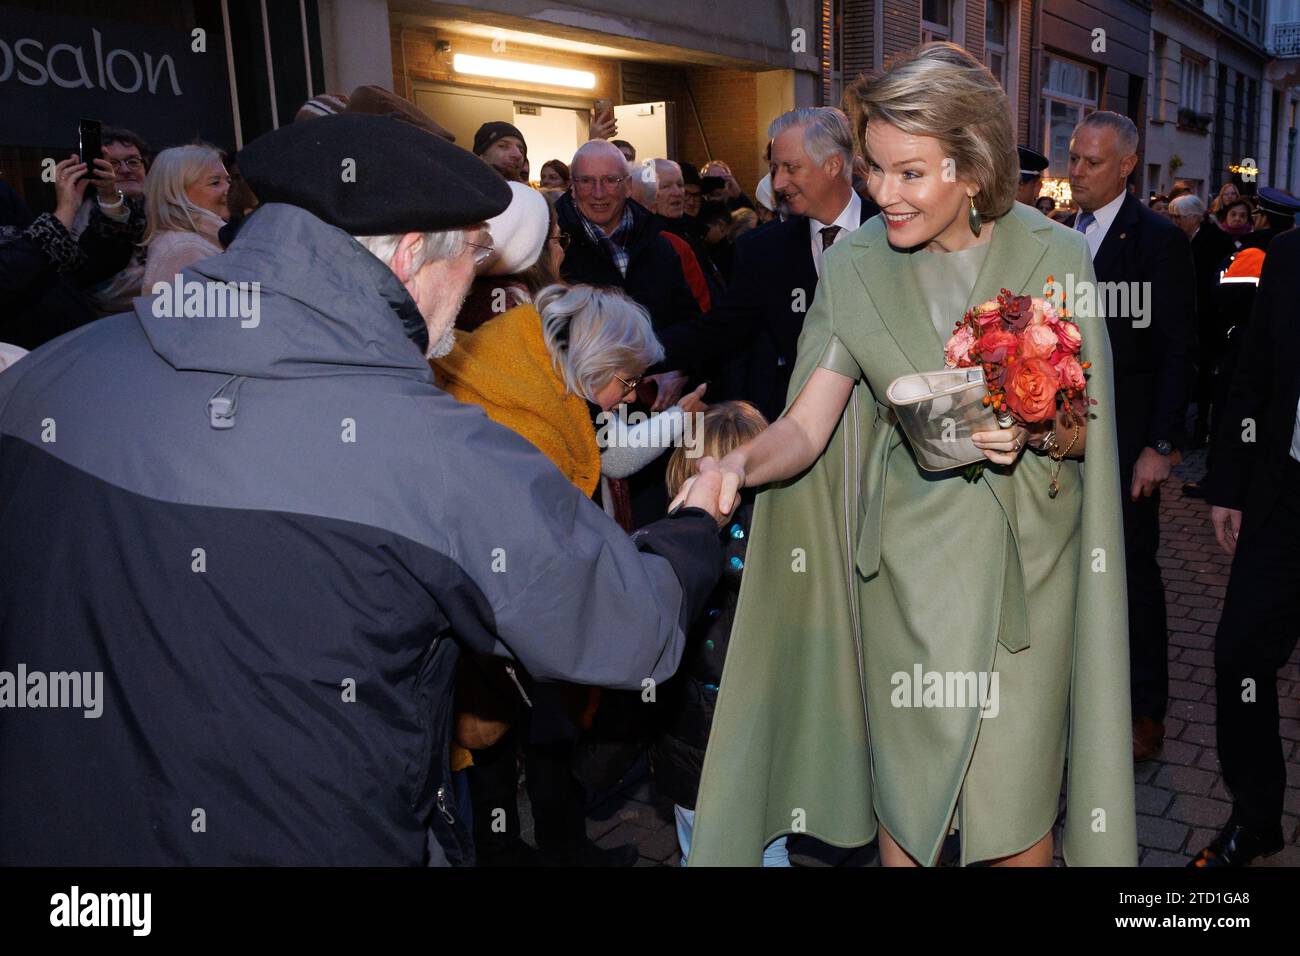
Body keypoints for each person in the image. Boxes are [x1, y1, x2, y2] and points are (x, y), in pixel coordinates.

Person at [0, 112, 727, 866]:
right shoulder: (435, 452)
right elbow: (629, 629)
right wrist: (696, 523)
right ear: (413, 255)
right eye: (475, 255)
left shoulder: (47, 374)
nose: (479, 280)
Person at [682, 42, 1135, 868]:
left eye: (911, 174)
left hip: (1025, 586)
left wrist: (1032, 429)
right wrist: (735, 467)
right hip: (905, 584)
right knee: (910, 822)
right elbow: (806, 425)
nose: (883, 195)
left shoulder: (1055, 255)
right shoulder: (853, 266)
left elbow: (1082, 431)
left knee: (1016, 826)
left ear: (972, 166)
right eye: (874, 170)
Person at [1064, 110, 1196, 762]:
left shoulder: (1160, 243)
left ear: (1125, 167)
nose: (1076, 172)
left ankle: (1146, 710)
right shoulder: (1056, 236)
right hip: (1060, 441)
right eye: (1072, 157)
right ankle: (1077, 696)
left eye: (1091, 162)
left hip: (1129, 442)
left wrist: (1162, 446)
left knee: (1133, 576)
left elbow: (1180, 353)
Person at [1189, 227, 1300, 868]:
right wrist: (1227, 485)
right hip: (1285, 496)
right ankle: (1255, 816)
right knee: (1241, 658)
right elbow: (1251, 373)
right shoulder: (1286, 256)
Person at [657, 107, 880, 424]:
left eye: (790, 168)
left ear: (833, 165)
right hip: (800, 429)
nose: (778, 182)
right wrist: (641, 352)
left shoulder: (895, 233)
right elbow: (720, 330)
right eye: (774, 169)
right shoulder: (763, 250)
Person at [651, 400, 793, 867]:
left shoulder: (675, 558)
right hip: (772, 737)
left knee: (702, 847)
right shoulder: (792, 546)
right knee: (770, 845)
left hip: (694, 746)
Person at [140, 144, 230, 293]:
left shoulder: (211, 238)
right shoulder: (183, 249)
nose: (228, 189)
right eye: (215, 182)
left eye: (229, 181)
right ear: (176, 192)